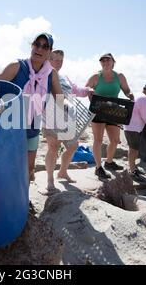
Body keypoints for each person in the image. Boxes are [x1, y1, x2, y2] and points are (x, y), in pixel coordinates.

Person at [0, 33, 63, 183]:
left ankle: (24, 201)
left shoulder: (51, 74)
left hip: (33, 128)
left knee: (29, 169)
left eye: (45, 46)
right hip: (9, 127)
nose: (40, 48)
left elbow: (60, 100)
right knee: (6, 167)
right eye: (37, 44)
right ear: (32, 46)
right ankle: (3, 202)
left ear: (49, 52)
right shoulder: (17, 66)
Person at [41, 50, 93, 194]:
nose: (59, 63)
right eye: (56, 60)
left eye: (61, 60)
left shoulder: (64, 77)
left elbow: (76, 90)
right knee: (53, 147)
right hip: (50, 117)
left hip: (67, 118)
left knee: (73, 145)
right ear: (48, 60)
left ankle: (62, 172)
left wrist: (88, 90)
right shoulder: (44, 75)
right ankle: (50, 181)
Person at [85, 53, 135, 179]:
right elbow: (85, 89)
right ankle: (98, 167)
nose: (105, 63)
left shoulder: (120, 76)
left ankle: (109, 162)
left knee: (115, 140)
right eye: (103, 61)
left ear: (113, 62)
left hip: (114, 111)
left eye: (108, 60)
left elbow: (127, 90)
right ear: (100, 63)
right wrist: (90, 92)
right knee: (98, 140)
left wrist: (130, 95)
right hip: (98, 111)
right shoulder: (96, 77)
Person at [124, 83, 146, 183]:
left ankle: (133, 168)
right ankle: (132, 171)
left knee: (133, 149)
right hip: (134, 128)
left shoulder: (137, 95)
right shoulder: (144, 99)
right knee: (134, 150)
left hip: (129, 126)